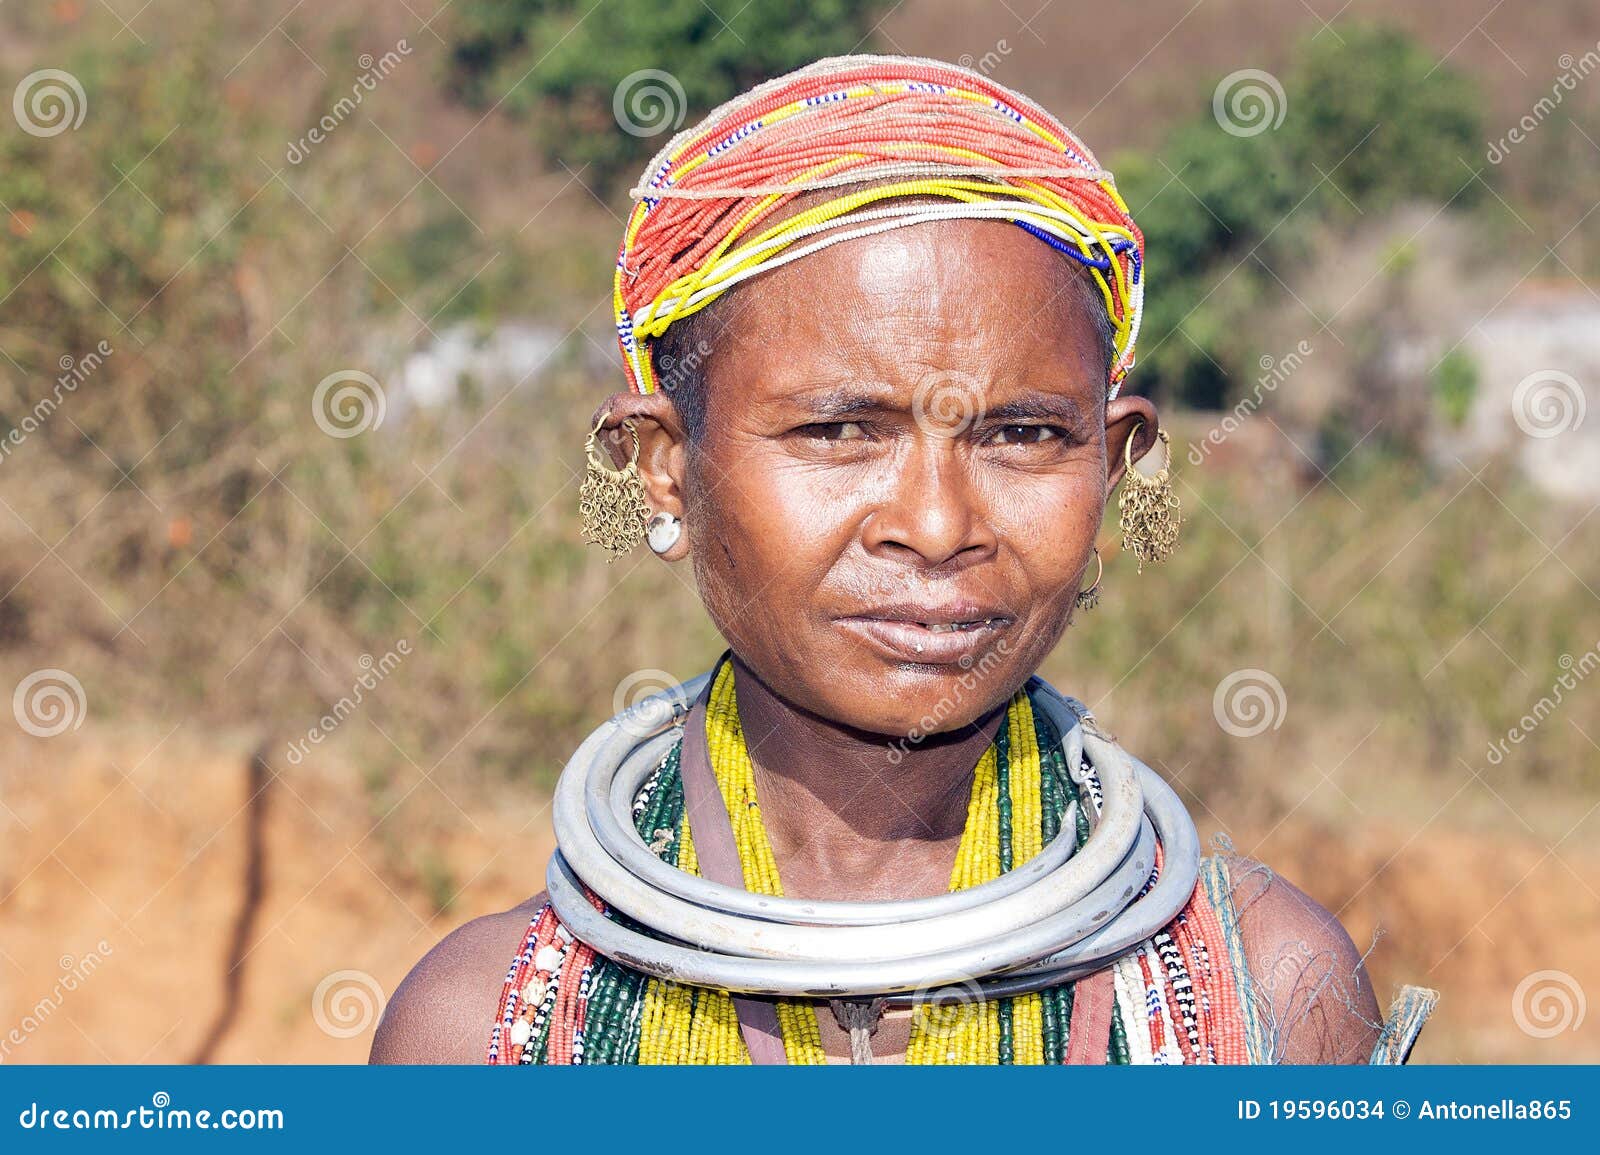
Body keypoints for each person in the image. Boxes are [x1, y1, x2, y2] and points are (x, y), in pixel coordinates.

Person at [371, 54, 1437, 1065]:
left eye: (1022, 434)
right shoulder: (487, 1037)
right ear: (663, 467)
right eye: (839, 432)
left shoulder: (1262, 998)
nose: (936, 526)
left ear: (1112, 466)